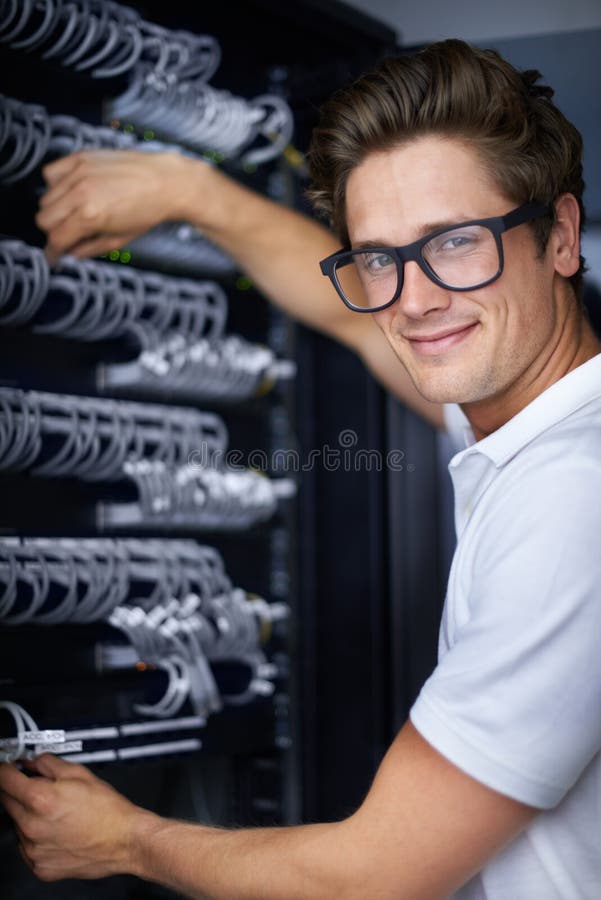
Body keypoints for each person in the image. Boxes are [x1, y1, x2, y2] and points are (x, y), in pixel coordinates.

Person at [1, 37, 601, 900]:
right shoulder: (515, 412)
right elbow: (361, 321)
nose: (415, 297)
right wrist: (195, 193)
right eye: (379, 258)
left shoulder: (569, 498)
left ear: (561, 238)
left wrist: (125, 839)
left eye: (456, 242)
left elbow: (371, 878)